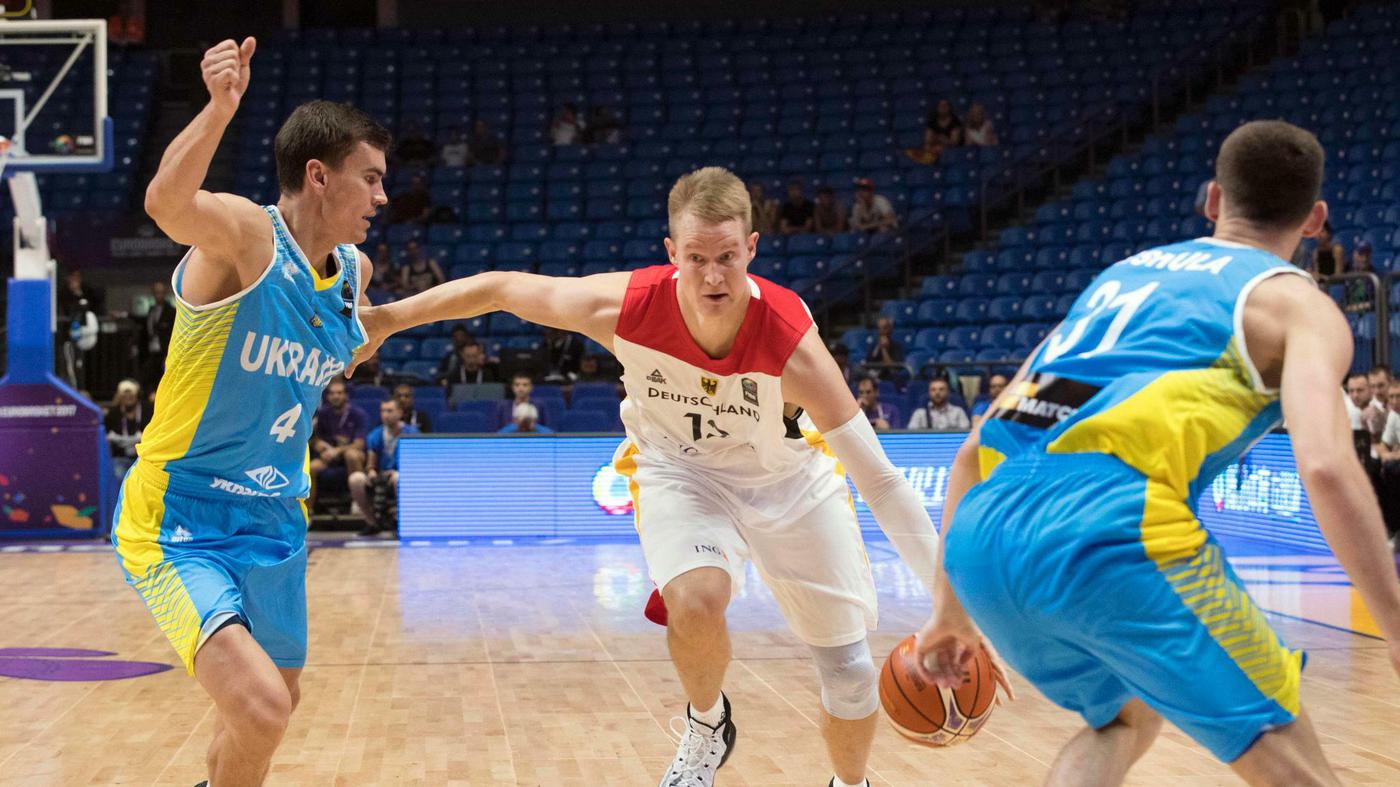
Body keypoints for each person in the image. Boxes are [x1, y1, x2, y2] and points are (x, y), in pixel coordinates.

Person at [352, 166, 968, 787]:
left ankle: (850, 783)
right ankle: (707, 723)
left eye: (728, 256)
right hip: (682, 472)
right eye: (696, 257)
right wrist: (386, 321)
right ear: (672, 253)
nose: (712, 275)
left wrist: (952, 610)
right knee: (695, 600)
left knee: (850, 672)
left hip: (789, 485)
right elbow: (502, 288)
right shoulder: (625, 309)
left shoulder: (793, 345)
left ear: (752, 248)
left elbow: (883, 483)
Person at [916, 120, 1400, 785]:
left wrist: (948, 610)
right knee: (1297, 768)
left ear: (1212, 200)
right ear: (1314, 219)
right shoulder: (1296, 303)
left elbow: (975, 448)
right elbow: (1323, 463)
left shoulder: (1121, 279)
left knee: (1125, 717)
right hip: (1111, 529)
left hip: (982, 536)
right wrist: (1396, 626)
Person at [112, 37, 386, 787]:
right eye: (370, 178)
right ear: (318, 175)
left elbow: (355, 340)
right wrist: (218, 110)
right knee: (263, 706)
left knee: (267, 709)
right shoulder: (245, 234)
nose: (382, 197)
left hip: (275, 520)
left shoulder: (353, 272)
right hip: (181, 514)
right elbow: (167, 204)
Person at [349, 398, 418, 536]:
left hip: (402, 475)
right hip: (382, 476)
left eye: (389, 411)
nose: (385, 414)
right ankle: (373, 522)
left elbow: (415, 464)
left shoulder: (412, 433)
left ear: (400, 413)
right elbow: (371, 461)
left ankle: (401, 522)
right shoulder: (376, 434)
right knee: (355, 479)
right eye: (382, 411)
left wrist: (399, 471)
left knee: (398, 478)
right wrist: (371, 471)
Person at [135, 281, 176, 392]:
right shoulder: (152, 309)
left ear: (165, 293)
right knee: (146, 377)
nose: (159, 295)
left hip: (165, 352)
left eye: (161, 292)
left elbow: (173, 333)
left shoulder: (171, 311)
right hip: (151, 350)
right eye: (156, 292)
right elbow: (143, 322)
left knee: (164, 379)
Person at [105, 378, 150, 479]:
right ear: (120, 397)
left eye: (131, 395)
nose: (128, 397)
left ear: (136, 395)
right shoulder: (113, 413)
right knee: (118, 476)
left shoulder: (147, 410)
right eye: (125, 395)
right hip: (121, 457)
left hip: (143, 457)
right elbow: (107, 436)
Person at [905, 379, 970, 430]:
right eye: (933, 390)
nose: (937, 393)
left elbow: (965, 437)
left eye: (941, 389)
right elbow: (911, 435)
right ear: (929, 393)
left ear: (947, 392)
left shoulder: (958, 412)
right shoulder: (919, 413)